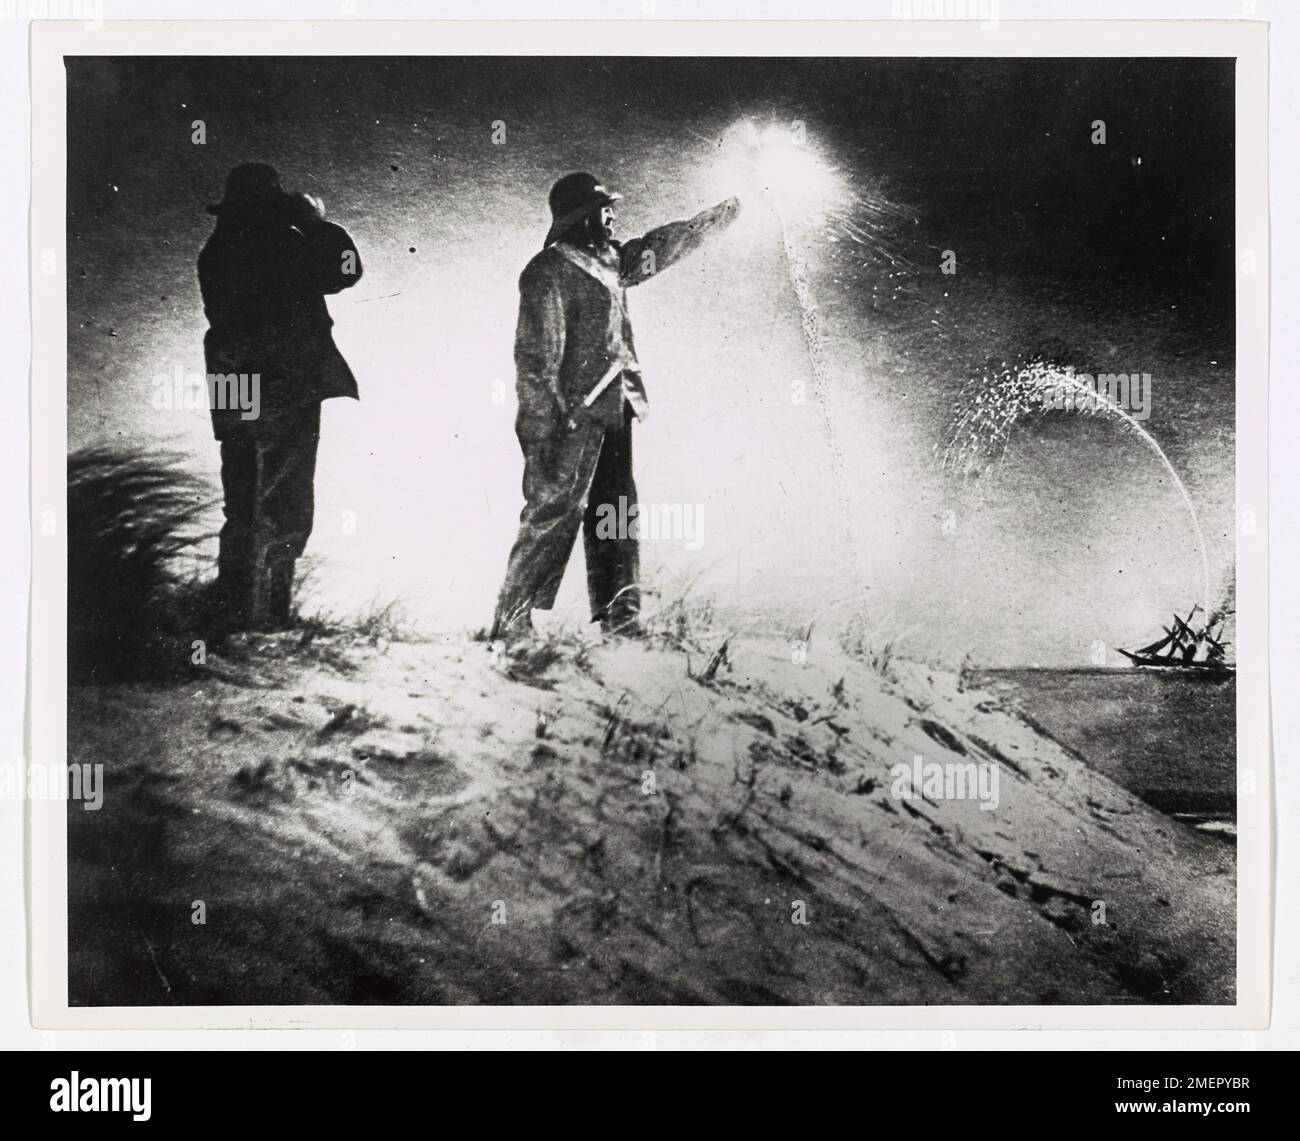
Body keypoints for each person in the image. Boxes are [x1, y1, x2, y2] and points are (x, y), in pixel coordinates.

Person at [492, 171, 741, 643]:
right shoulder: (547, 270)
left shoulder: (614, 262)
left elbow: (664, 245)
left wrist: (727, 211)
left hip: (617, 405)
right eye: (604, 208)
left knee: (617, 508)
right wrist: (541, 422)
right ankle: (512, 618)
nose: (612, 215)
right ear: (580, 216)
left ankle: (621, 615)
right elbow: (535, 357)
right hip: (571, 413)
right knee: (554, 507)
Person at [198, 162, 363, 630]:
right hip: (283, 384)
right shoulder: (283, 243)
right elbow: (346, 270)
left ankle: (234, 612)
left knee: (243, 501)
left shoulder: (216, 250)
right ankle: (268, 618)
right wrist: (314, 222)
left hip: (233, 383)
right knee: (284, 503)